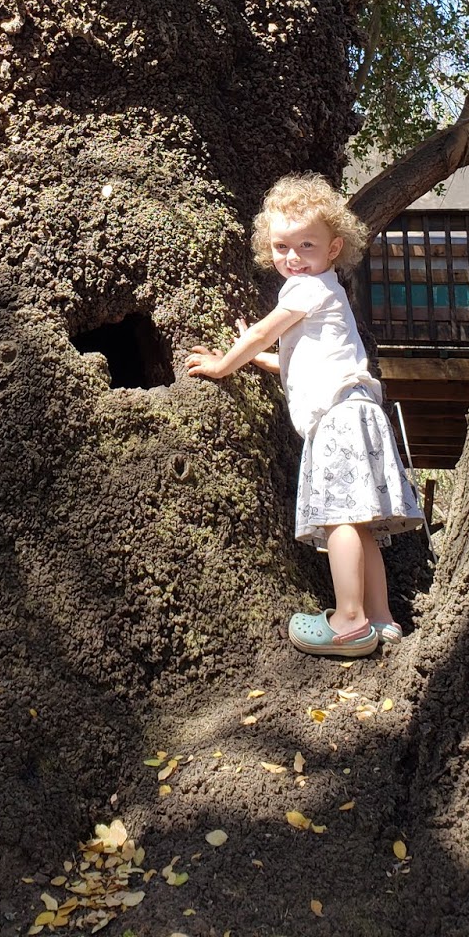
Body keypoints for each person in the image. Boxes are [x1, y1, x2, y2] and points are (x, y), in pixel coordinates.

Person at [185, 173, 422, 656]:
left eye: (305, 245)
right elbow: (290, 360)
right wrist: (252, 358)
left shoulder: (304, 288)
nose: (292, 258)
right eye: (280, 247)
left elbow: (261, 335)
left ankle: (350, 620)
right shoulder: (327, 292)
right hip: (359, 414)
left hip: (338, 420)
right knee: (359, 524)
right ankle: (381, 618)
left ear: (333, 248)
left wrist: (223, 363)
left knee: (339, 520)